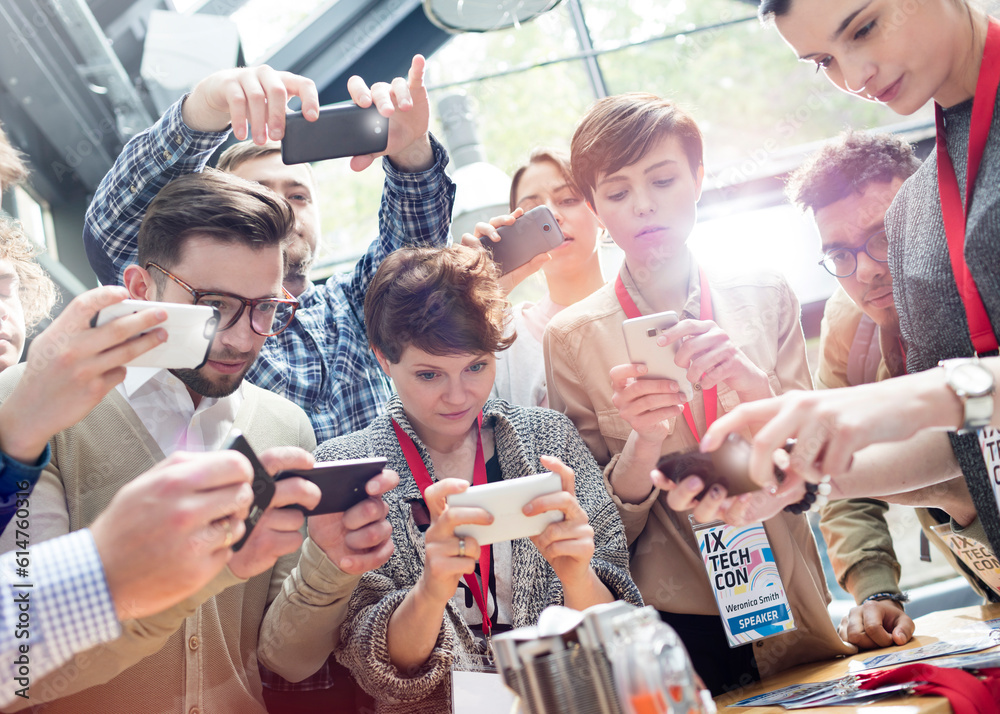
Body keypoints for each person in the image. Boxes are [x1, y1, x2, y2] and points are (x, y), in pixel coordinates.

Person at [0, 169, 395, 713]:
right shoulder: (31, 405)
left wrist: (330, 563)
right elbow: (23, 661)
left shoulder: (284, 425)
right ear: (142, 289)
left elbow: (286, 661)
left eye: (265, 308)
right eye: (213, 305)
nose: (241, 339)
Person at [542, 93, 853, 695]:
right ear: (595, 208)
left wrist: (754, 388)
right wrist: (643, 441)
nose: (644, 204)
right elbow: (598, 530)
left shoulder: (764, 293)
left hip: (789, 586)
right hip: (672, 619)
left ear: (698, 178)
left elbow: (818, 466)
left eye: (662, 180)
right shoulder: (573, 338)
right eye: (617, 192)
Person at [268, 245, 641, 713]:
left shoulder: (548, 439)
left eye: (476, 367)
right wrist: (431, 590)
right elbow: (373, 664)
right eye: (429, 375)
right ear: (383, 359)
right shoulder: (352, 467)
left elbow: (622, 622)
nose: (458, 396)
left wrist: (577, 574)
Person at [700, 0, 1000, 554]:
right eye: (824, 61)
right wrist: (806, 477)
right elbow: (968, 436)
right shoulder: (916, 207)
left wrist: (900, 403)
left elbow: (957, 402)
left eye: (864, 28)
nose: (856, 77)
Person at [84, 58, 454, 443]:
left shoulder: (356, 305)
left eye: (298, 195)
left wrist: (411, 150)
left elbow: (416, 250)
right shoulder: (182, 307)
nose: (284, 208)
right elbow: (118, 228)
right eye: (259, 194)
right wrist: (203, 111)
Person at [787, 131, 999, 653]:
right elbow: (846, 477)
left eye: (884, 236)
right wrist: (875, 588)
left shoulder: (984, 286)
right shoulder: (849, 324)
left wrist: (953, 495)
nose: (866, 270)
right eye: (840, 254)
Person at [0, 449, 259, 709]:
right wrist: (104, 569)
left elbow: (275, 658)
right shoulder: (48, 441)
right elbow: (25, 673)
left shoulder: (280, 428)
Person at [479, 149, 605, 407]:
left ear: (600, 209)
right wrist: (471, 298)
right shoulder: (501, 336)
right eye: (531, 211)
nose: (552, 215)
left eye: (568, 199)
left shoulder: (645, 309)